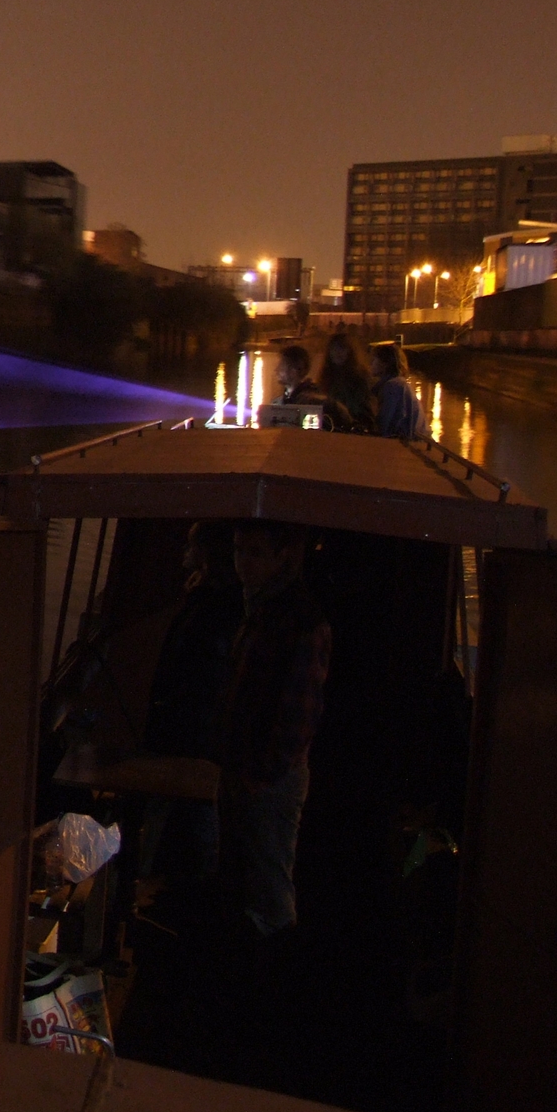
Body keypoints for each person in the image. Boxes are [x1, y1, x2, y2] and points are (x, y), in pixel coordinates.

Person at [220, 521, 331, 944]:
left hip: (267, 774)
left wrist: (263, 772)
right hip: (247, 765)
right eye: (238, 551)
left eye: (254, 553)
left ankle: (277, 968)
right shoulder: (263, 608)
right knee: (249, 872)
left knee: (269, 881)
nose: (242, 563)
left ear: (282, 556)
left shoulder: (298, 620)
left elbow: (298, 714)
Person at [140, 522, 244, 881]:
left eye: (192, 546)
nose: (185, 554)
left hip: (192, 725)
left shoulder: (215, 606)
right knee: (191, 808)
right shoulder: (214, 601)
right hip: (190, 722)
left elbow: (200, 667)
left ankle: (190, 887)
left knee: (194, 808)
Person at [319, 332, 376, 433]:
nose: (337, 352)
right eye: (334, 349)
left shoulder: (359, 376)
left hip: (353, 428)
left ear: (350, 352)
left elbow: (362, 407)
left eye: (342, 348)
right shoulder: (327, 376)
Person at [371, 343, 425, 439]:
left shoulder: (392, 386)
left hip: (413, 441)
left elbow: (385, 423)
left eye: (374, 360)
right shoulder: (398, 383)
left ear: (385, 364)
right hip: (417, 437)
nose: (371, 363)